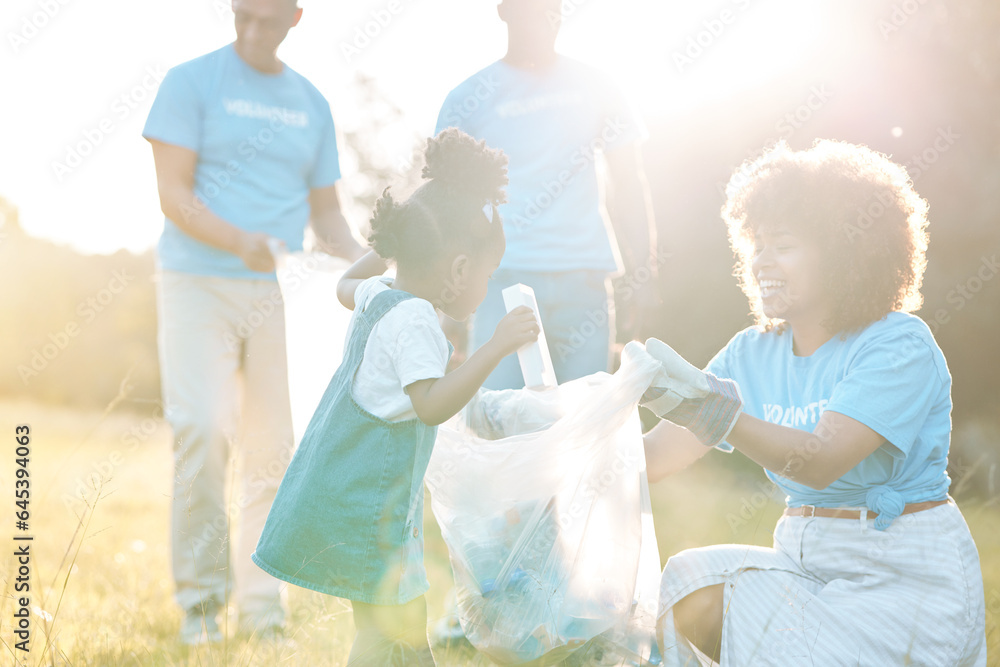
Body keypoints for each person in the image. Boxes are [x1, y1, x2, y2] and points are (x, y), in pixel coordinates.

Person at [640, 140, 987, 665]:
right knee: (688, 583)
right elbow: (655, 459)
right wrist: (567, 426)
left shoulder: (898, 344)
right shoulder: (750, 352)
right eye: (755, 245)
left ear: (846, 251)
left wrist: (714, 413)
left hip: (905, 577)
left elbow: (821, 460)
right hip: (805, 558)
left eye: (783, 244)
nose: (761, 261)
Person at [251, 128, 540, 666]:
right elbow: (431, 404)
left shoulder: (378, 296)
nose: (485, 286)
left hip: (345, 493)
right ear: (458, 270)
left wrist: (387, 245)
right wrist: (496, 347)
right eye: (487, 273)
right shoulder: (415, 322)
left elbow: (343, 285)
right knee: (396, 633)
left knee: (392, 634)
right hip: (368, 510)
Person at [142, 0, 364, 645]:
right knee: (204, 429)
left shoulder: (311, 103)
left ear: (296, 17)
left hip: (280, 291)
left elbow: (328, 219)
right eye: (241, 14)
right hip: (197, 282)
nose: (250, 31)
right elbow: (174, 194)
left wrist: (377, 261)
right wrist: (239, 241)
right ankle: (202, 606)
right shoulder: (189, 81)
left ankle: (264, 611)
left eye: (267, 19)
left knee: (274, 450)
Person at [435, 0, 658, 389]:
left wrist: (644, 275)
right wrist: (449, 300)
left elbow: (630, 183)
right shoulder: (466, 98)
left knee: (583, 427)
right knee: (498, 424)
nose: (544, 16)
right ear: (504, 11)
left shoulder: (598, 85)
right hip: (500, 284)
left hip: (584, 281)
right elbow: (447, 204)